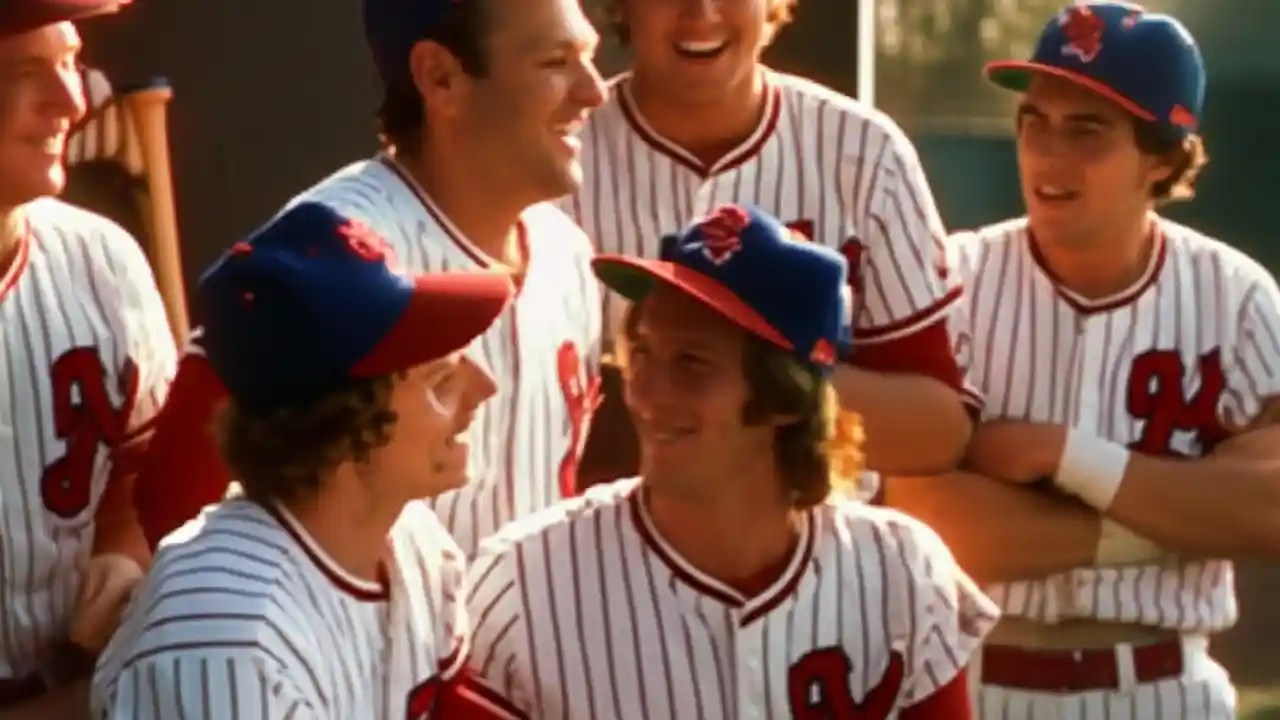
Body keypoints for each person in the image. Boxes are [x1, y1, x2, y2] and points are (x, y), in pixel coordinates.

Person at [887, 4, 1280, 718]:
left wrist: (1068, 457)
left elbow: (1272, 509)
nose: (1049, 156)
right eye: (1035, 124)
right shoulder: (952, 281)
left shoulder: (1238, 297)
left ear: (1163, 155)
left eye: (1087, 132)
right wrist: (1178, 517)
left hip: (1163, 691)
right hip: (975, 682)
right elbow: (929, 519)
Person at [458, 204, 999, 719]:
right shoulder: (523, 581)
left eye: (692, 363)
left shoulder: (901, 570)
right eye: (641, 352)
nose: (647, 393)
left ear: (785, 399)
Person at [132, 0, 608, 558]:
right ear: (441, 78)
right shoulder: (329, 259)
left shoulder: (566, 251)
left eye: (589, 58)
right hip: (378, 641)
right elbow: (174, 505)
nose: (594, 91)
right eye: (555, 62)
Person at [92, 201, 515, 718]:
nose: (484, 390)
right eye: (441, 382)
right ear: (343, 429)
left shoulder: (413, 543)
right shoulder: (227, 639)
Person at [569, 0, 973, 489]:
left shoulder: (864, 151)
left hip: (812, 542)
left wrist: (748, 376)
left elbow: (937, 429)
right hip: (600, 545)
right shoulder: (556, 151)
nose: (702, 11)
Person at [0, 1, 176, 717]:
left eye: (71, 62)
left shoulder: (99, 259)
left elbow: (144, 473)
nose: (71, 101)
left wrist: (123, 549)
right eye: (22, 71)